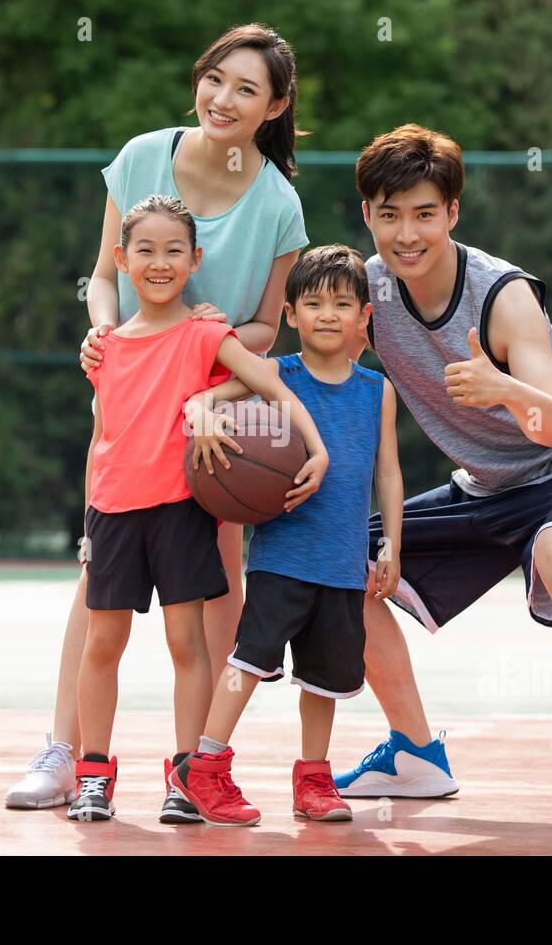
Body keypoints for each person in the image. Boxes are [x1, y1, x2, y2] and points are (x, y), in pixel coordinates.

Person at [6, 24, 310, 817]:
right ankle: (68, 754)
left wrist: (207, 357)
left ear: (274, 108)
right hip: (133, 404)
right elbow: (104, 278)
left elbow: (268, 332)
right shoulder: (143, 155)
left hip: (218, 420)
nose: (224, 98)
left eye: (248, 89)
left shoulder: (279, 203)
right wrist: (104, 334)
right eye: (216, 79)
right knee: (95, 590)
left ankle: (198, 769)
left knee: (216, 599)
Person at [334, 124, 552, 828]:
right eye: (389, 215)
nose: (407, 233)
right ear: (368, 216)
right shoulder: (369, 293)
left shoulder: (502, 297)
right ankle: (415, 753)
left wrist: (503, 388)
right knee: (341, 563)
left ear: (452, 213)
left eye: (424, 214)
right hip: (485, 484)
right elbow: (310, 354)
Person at [67, 195, 329, 822]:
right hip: (112, 513)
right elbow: (100, 437)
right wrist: (86, 525)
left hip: (182, 512)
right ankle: (92, 773)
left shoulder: (206, 335)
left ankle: (185, 776)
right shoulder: (105, 348)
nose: (160, 263)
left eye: (174, 250)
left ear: (196, 259)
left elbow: (272, 380)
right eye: (146, 251)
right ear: (121, 260)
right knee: (103, 642)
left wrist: (315, 448)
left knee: (187, 642)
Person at [165, 245, 403, 825]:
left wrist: (390, 541)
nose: (327, 314)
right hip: (281, 560)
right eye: (314, 302)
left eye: (342, 303)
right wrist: (208, 423)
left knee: (325, 681)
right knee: (247, 662)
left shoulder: (378, 391)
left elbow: (388, 470)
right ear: (291, 314)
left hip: (345, 563)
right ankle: (206, 764)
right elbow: (200, 401)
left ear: (363, 317)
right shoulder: (273, 376)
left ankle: (314, 780)